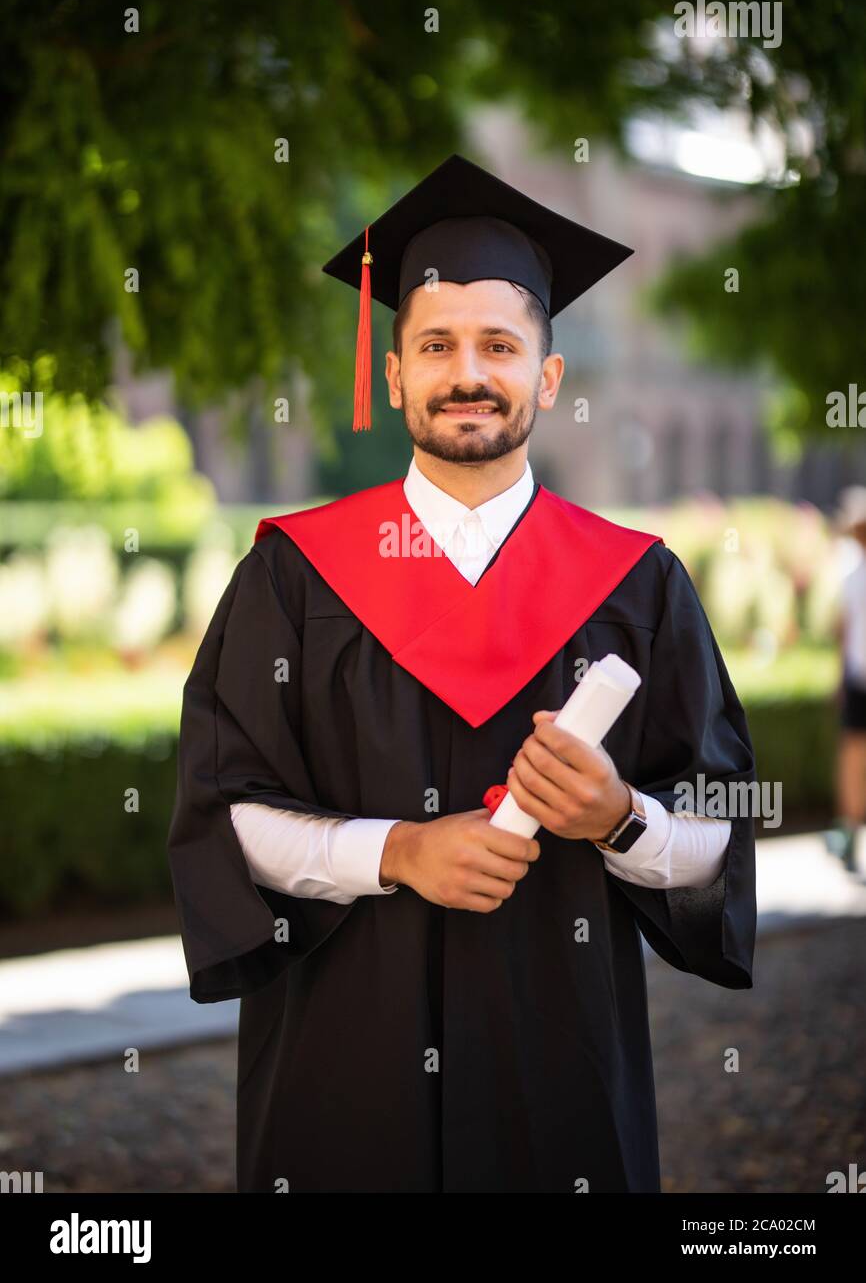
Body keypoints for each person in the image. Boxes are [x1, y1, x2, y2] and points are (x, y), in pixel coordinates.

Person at [167, 153, 757, 1194]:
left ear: (547, 375)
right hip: (342, 1059)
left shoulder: (637, 583)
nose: (467, 373)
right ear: (393, 373)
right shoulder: (292, 575)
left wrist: (617, 816)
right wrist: (393, 851)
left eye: (499, 344)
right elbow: (222, 815)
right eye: (434, 344)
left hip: (558, 1053)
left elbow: (719, 831)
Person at [826, 486, 866, 873]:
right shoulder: (852, 573)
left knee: (854, 760)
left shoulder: (852, 574)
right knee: (853, 760)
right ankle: (850, 833)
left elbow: (843, 629)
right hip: (857, 677)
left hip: (856, 677)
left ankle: (850, 834)